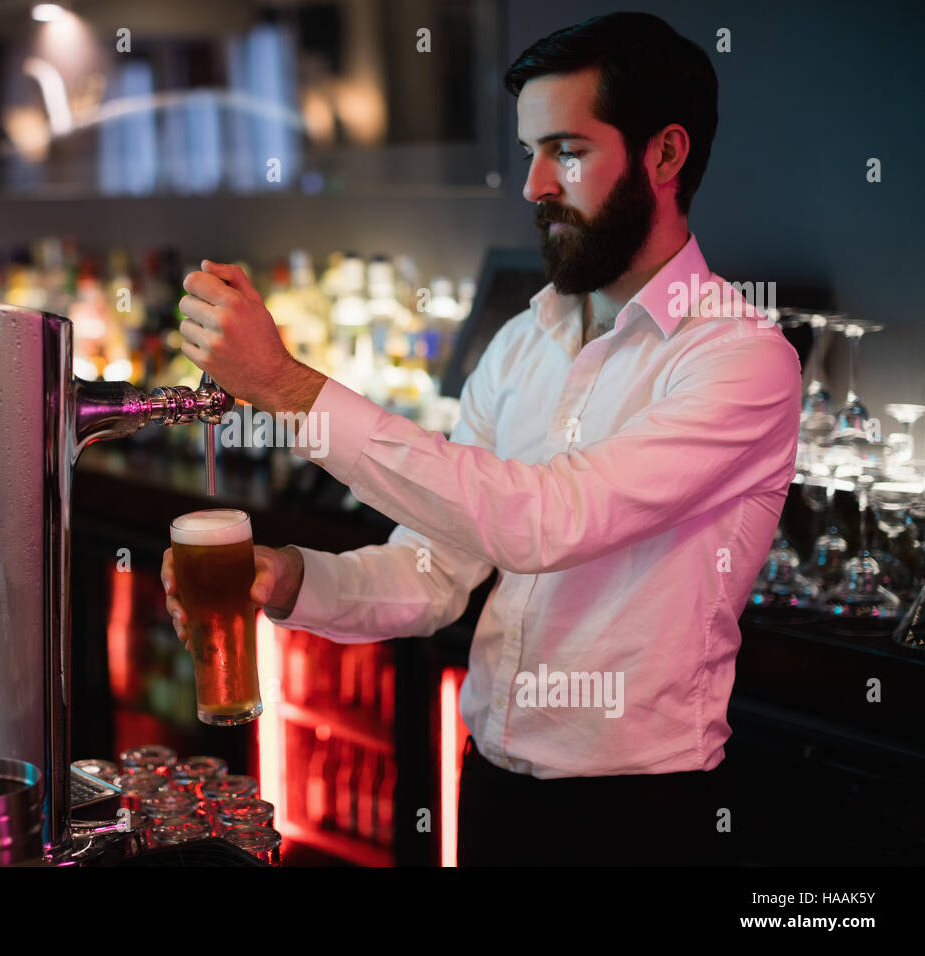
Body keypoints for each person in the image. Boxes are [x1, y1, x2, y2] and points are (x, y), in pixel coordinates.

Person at [160, 11, 800, 866]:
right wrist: (289, 579)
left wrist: (281, 384)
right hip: (492, 790)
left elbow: (541, 523)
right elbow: (434, 571)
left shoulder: (739, 360)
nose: (535, 184)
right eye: (530, 151)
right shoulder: (522, 342)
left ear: (666, 155)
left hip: (639, 819)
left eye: (565, 151)